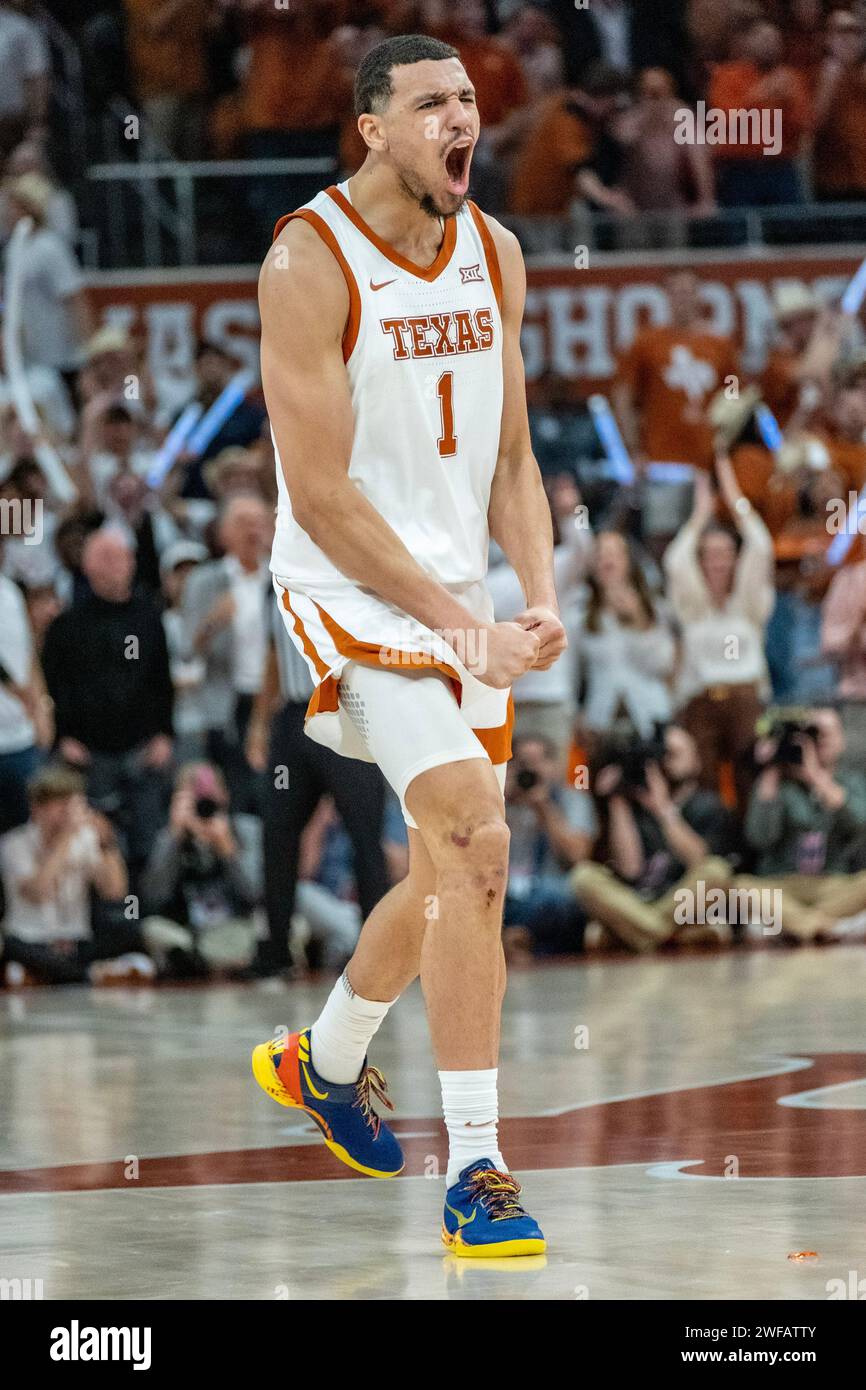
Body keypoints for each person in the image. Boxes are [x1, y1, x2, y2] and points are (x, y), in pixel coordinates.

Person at [253, 33, 568, 1257]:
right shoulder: (306, 259)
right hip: (343, 591)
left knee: (445, 872)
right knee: (478, 838)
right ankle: (478, 1166)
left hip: (457, 595)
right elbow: (321, 495)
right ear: (371, 128)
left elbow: (509, 457)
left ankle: (323, 1063)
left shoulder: (495, 250)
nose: (461, 118)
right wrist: (461, 627)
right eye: (430, 101)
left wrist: (532, 598)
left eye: (469, 100)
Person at [245, 596, 390, 977]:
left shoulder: (346, 570)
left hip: (348, 708)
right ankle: (276, 951)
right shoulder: (273, 583)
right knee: (277, 836)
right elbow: (275, 655)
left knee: (365, 837)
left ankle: (376, 955)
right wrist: (260, 723)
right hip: (295, 715)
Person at [41, 529, 174, 881]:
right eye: (105, 558)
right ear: (87, 566)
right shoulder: (67, 626)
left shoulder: (149, 617)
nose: (114, 565)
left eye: (120, 556)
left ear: (133, 562)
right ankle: (110, 917)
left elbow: (162, 680)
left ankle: (147, 916)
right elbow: (52, 687)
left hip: (143, 747)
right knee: (98, 837)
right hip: (88, 753)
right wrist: (62, 737)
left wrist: (165, 733)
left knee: (149, 837)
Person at [664, 457, 774, 811]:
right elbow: (675, 561)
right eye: (709, 555)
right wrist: (699, 516)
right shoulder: (692, 606)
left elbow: (761, 545)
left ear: (735, 559)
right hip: (700, 701)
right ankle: (715, 853)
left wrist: (733, 495)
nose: (718, 562)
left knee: (751, 778)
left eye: (725, 554)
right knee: (704, 784)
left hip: (746, 698)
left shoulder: (749, 601)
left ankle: (753, 854)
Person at [572, 723, 740, 951]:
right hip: (639, 899)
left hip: (679, 902)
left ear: (696, 760)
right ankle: (672, 936)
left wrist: (663, 810)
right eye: (663, 754)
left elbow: (698, 860)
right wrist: (616, 801)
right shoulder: (634, 799)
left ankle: (636, 934)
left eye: (676, 754)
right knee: (583, 876)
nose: (668, 760)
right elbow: (631, 869)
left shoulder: (708, 804)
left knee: (717, 871)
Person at [0, 763, 153, 987]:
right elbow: (38, 892)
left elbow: (115, 892)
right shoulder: (14, 843)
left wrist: (106, 843)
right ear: (37, 808)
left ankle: (47, 974)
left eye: (72, 804)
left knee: (131, 925)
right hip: (31, 940)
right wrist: (65, 839)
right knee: (9, 945)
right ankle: (89, 974)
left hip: (76, 941)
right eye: (60, 805)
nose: (67, 813)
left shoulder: (85, 839)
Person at [739, 708, 866, 941]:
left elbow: (860, 825)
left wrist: (816, 776)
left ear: (843, 742)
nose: (821, 740)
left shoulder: (853, 782)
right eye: (814, 733)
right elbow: (759, 838)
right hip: (783, 885)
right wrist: (772, 769)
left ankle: (794, 924)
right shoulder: (777, 784)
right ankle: (825, 926)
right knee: (742, 887)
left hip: (834, 885)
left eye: (828, 733)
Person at [181, 494, 271, 811]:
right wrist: (212, 623)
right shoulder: (205, 581)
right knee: (235, 792)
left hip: (274, 701)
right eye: (244, 523)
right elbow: (185, 653)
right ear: (224, 533)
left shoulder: (282, 580)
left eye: (260, 523)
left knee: (276, 791)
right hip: (226, 701)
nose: (254, 531)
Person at [139, 762, 262, 977]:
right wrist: (174, 839)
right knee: (152, 928)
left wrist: (228, 851)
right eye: (195, 802)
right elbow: (153, 897)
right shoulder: (169, 838)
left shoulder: (245, 830)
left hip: (239, 928)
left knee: (287, 925)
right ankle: (215, 960)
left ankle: (213, 961)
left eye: (209, 801)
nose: (203, 809)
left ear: (224, 797)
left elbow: (257, 893)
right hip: (190, 935)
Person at [502, 734, 595, 960]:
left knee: (560, 897)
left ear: (554, 766)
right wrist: (498, 801)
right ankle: (514, 940)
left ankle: (514, 939)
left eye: (538, 762)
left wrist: (544, 807)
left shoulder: (572, 800)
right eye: (523, 763)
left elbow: (577, 857)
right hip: (503, 892)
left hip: (544, 893)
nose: (531, 770)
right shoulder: (495, 801)